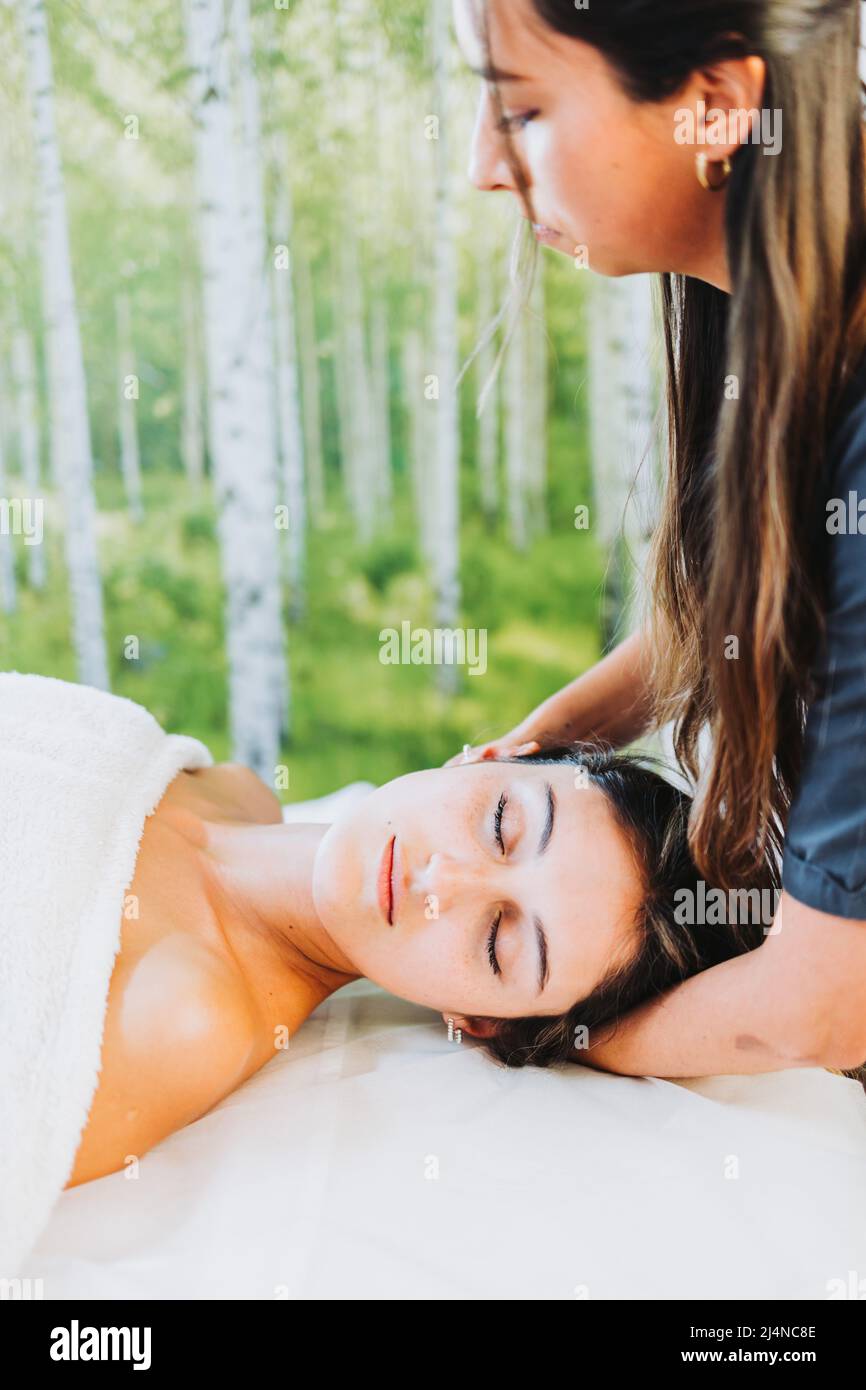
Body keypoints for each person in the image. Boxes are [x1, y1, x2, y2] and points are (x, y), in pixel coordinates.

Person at [448, 0, 866, 1080]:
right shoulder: (790, 280)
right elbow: (789, 577)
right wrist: (563, 723)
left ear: (714, 107)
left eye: (522, 111)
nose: (483, 167)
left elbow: (822, 1007)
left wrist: (569, 1039)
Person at [67, 737, 763, 1187]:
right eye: (501, 825)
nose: (444, 885)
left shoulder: (183, 1016)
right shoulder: (239, 788)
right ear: (484, 756)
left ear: (480, 1020)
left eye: (499, 945)